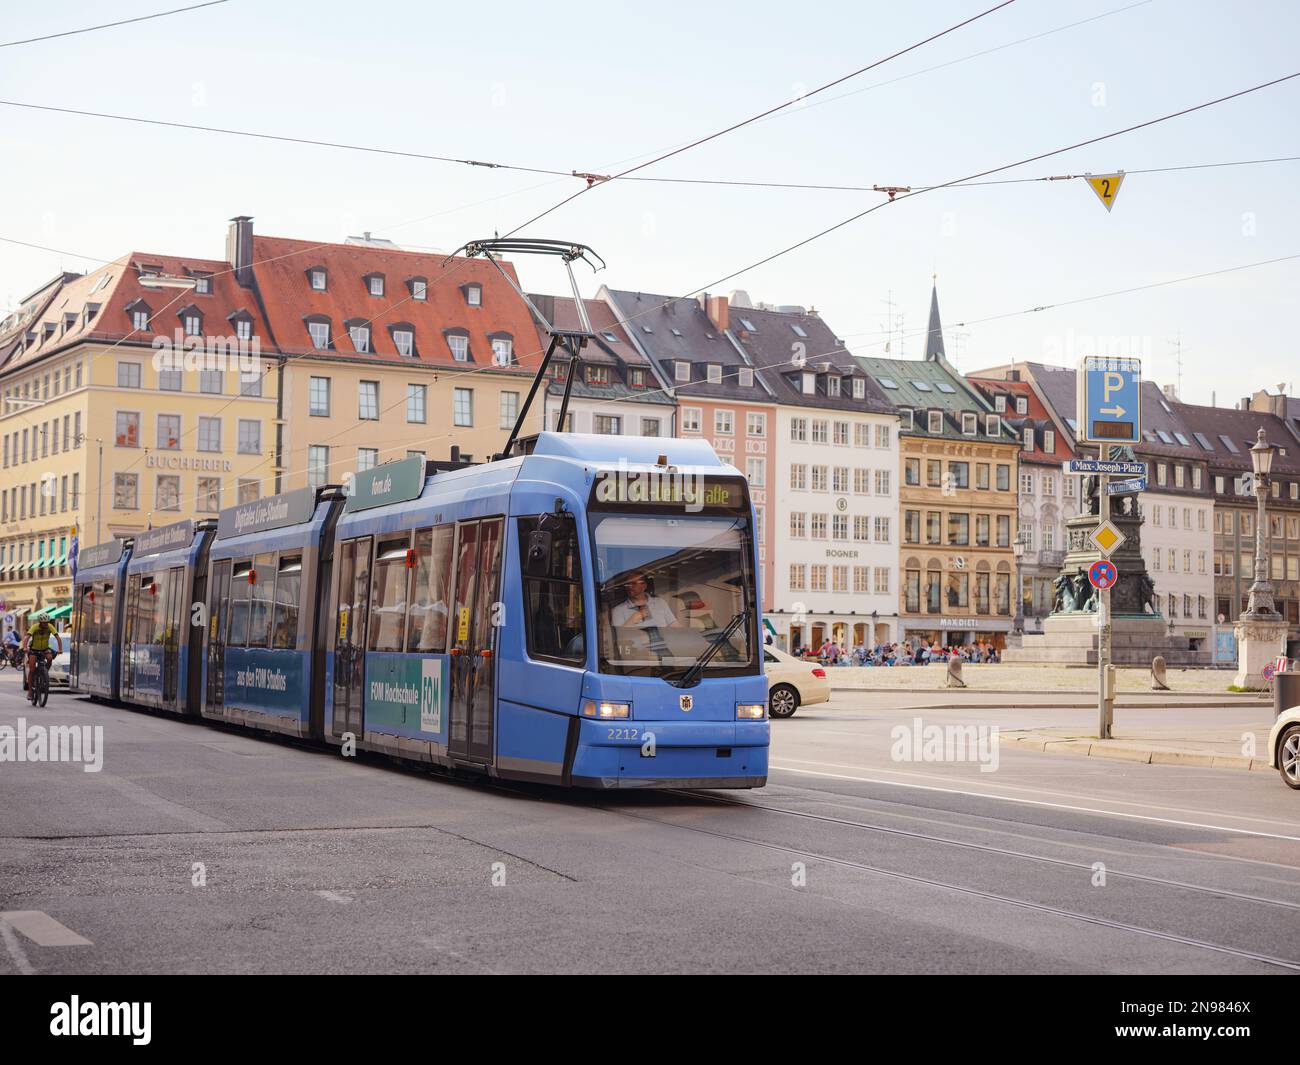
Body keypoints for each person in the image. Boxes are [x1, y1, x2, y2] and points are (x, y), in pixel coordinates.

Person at [610, 571, 677, 629]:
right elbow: (618, 637)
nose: (629, 586)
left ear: (644, 586)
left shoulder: (660, 602)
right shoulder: (618, 610)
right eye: (627, 584)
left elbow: (674, 626)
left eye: (633, 583)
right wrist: (632, 620)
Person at [21, 613, 62, 692]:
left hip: (45, 648)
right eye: (44, 622)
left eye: (47, 622)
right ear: (40, 622)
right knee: (32, 670)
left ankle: (44, 673)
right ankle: (30, 691)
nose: (46, 624)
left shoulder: (50, 626)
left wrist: (60, 649)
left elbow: (58, 638)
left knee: (50, 658)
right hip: (34, 649)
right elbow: (27, 637)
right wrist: (25, 647)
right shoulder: (34, 627)